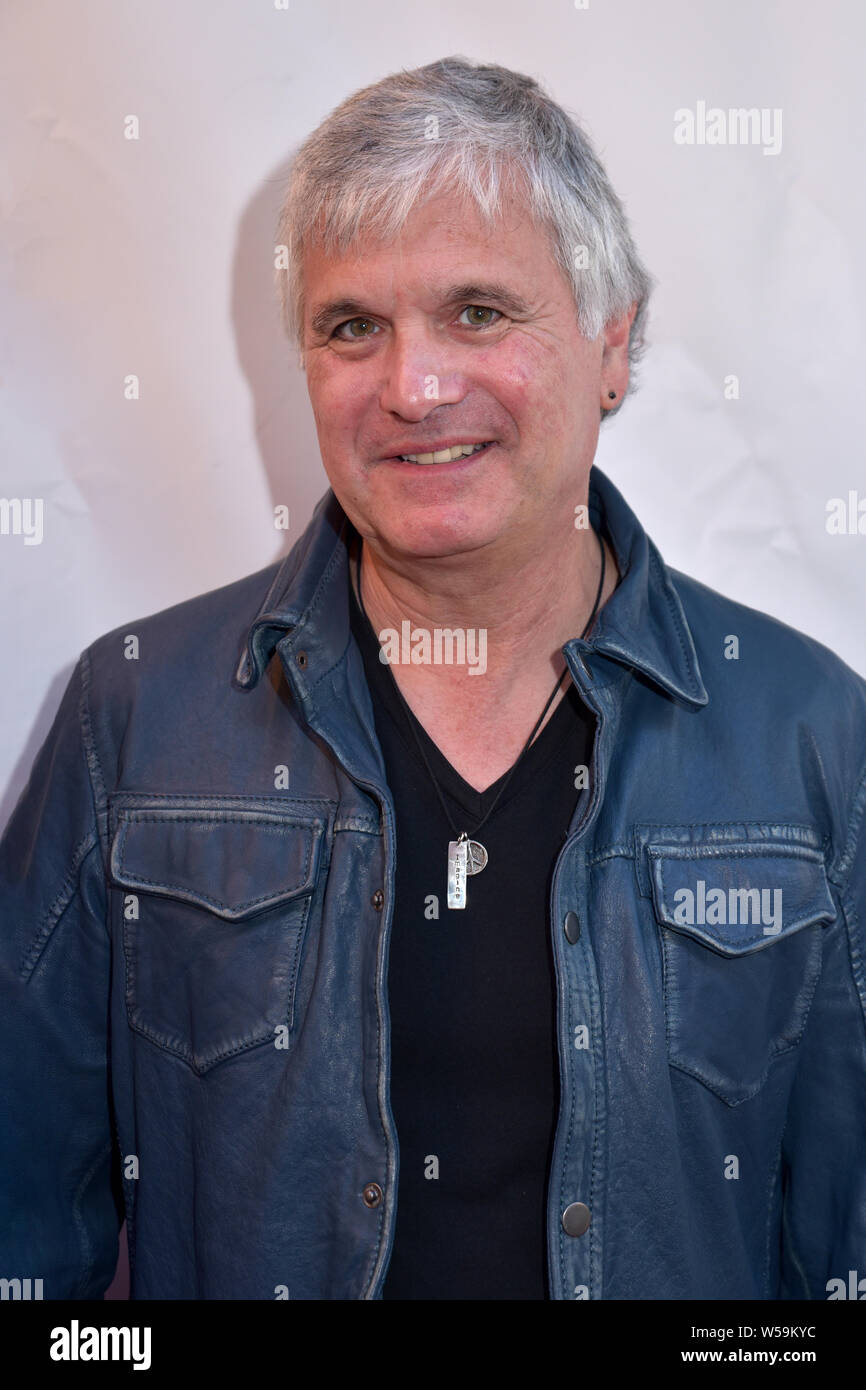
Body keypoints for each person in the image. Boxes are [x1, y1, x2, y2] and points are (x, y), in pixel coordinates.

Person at [1, 56, 864, 1302]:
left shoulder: (805, 736)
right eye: (353, 326)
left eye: (477, 312)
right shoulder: (136, 720)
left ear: (610, 345)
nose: (412, 387)